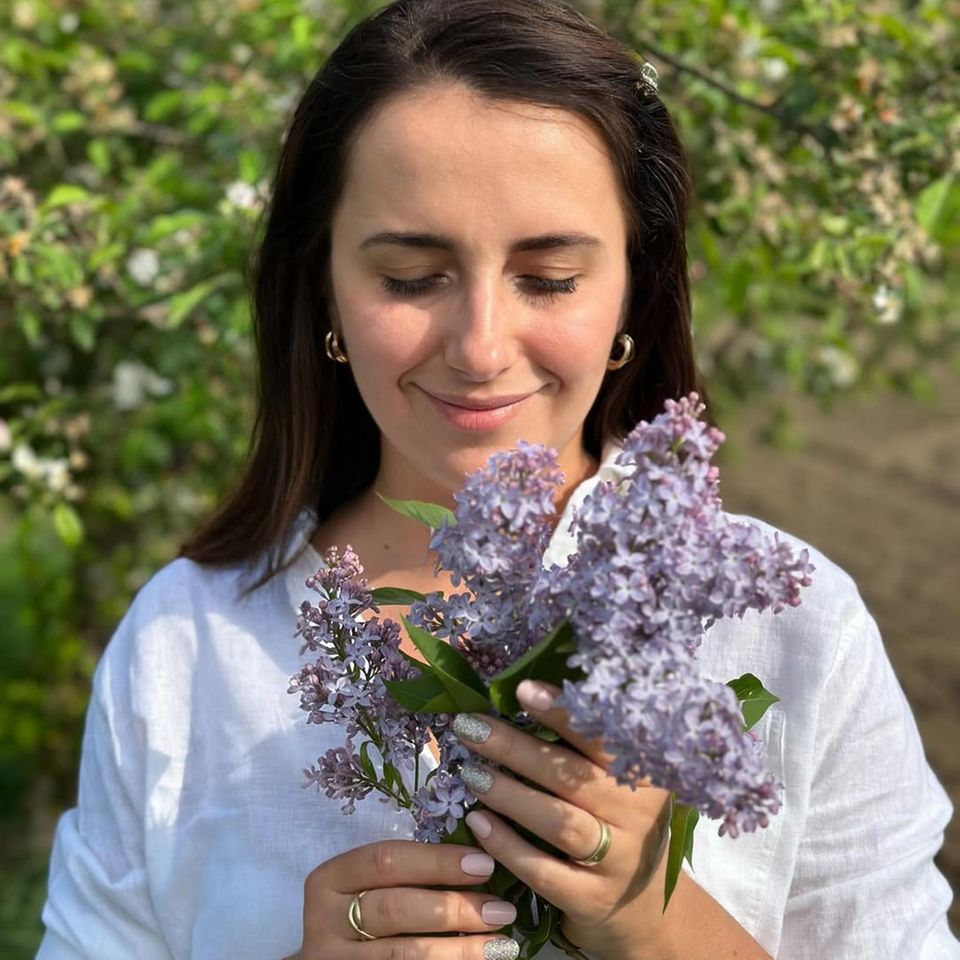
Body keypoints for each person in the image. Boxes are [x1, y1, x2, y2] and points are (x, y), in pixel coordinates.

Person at [37, 1, 958, 958]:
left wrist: (653, 923)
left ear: (633, 290)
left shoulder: (799, 635)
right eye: (410, 277)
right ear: (325, 291)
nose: (479, 348)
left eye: (550, 277)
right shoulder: (185, 648)